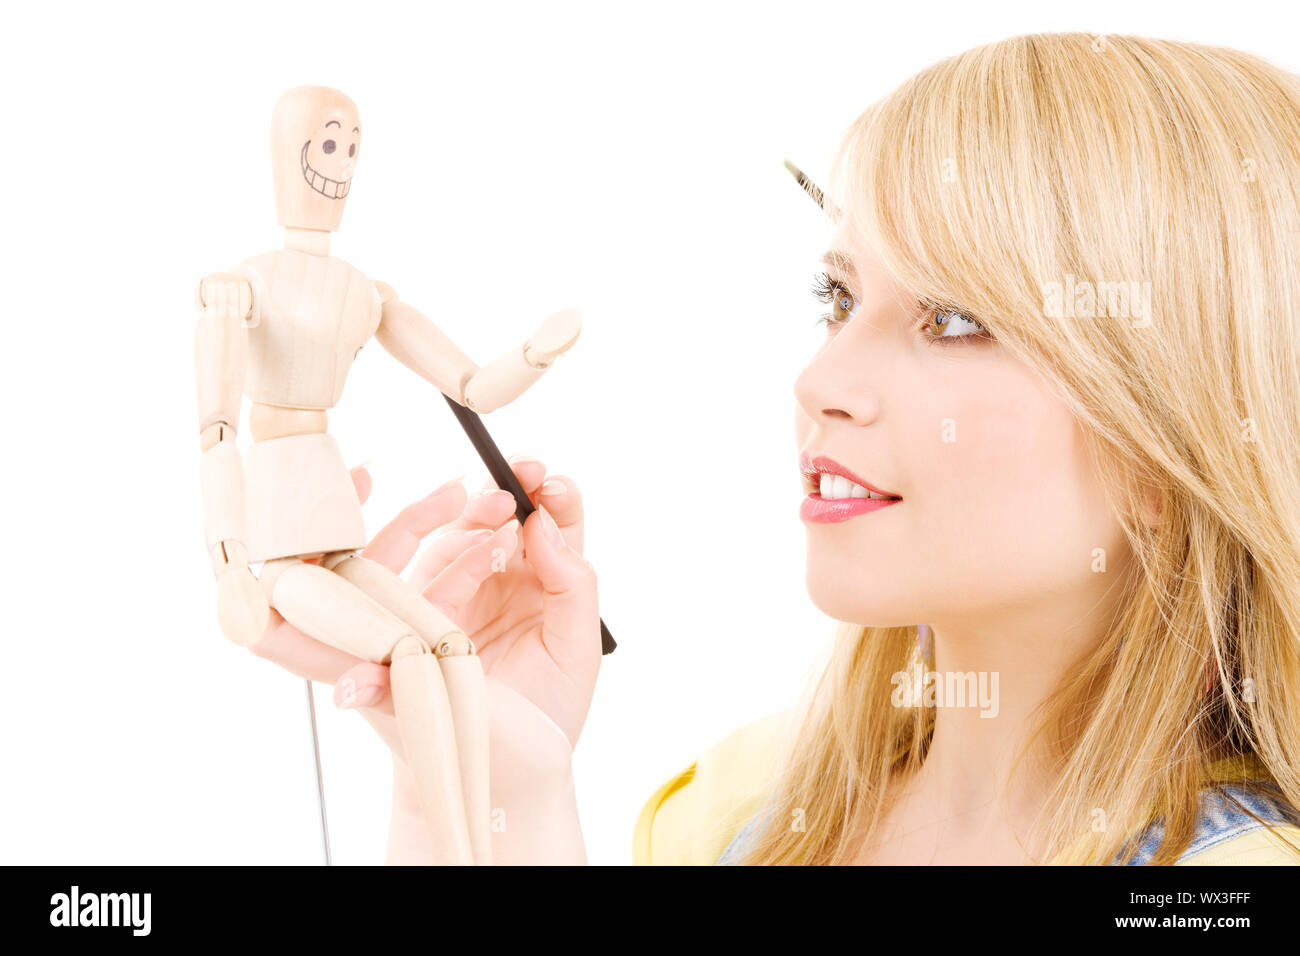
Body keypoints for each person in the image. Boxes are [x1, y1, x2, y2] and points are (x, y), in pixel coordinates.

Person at [253, 31, 1300, 865]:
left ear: (1166, 447)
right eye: (838, 297)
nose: (820, 383)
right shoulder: (734, 812)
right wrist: (481, 793)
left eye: (951, 319)